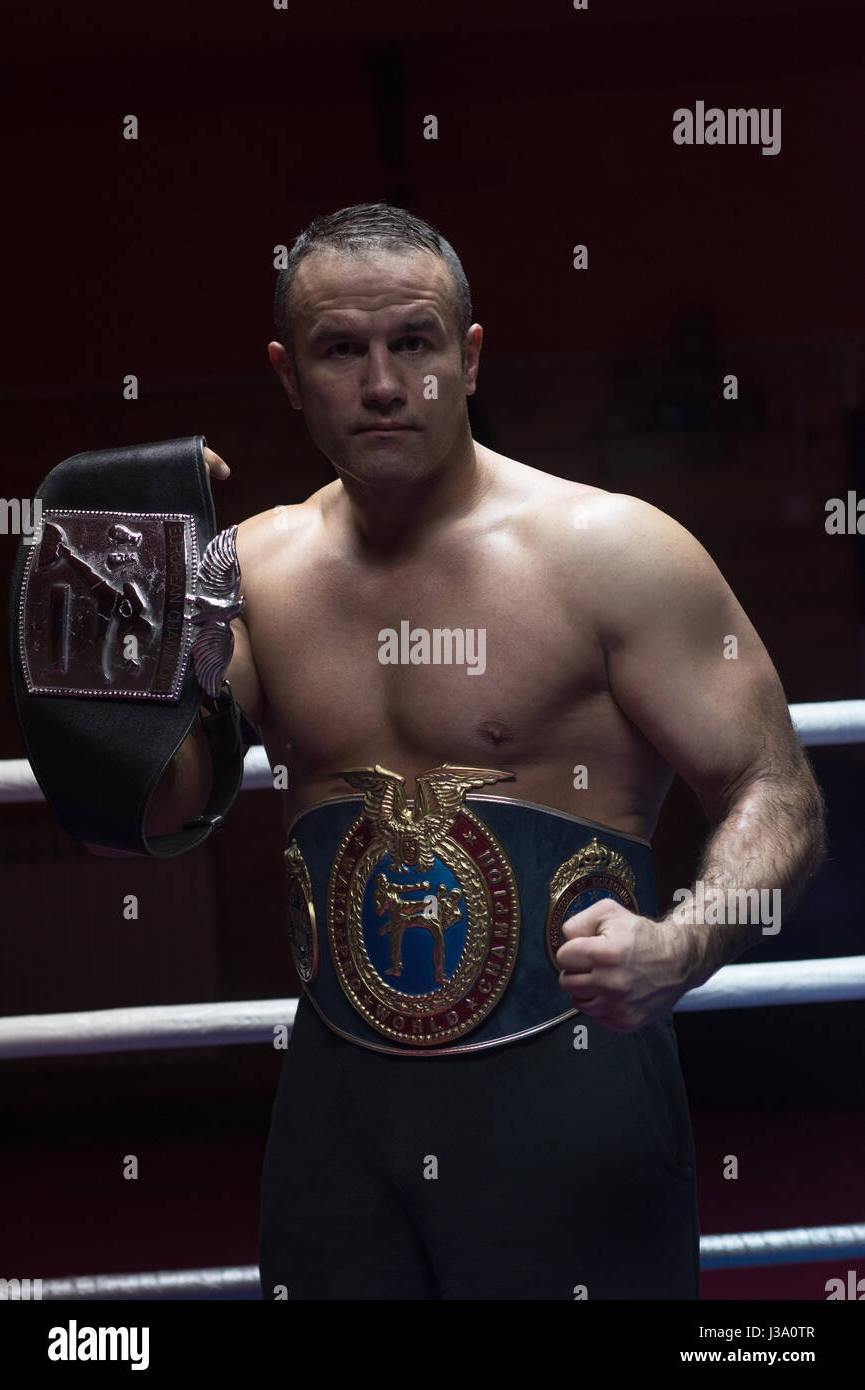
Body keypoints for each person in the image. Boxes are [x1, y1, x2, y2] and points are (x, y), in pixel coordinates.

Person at [135, 203, 827, 1299]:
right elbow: (162, 811)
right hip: (338, 1108)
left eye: (412, 341)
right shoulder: (247, 571)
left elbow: (779, 793)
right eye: (340, 349)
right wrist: (123, 626)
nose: (380, 382)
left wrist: (683, 944)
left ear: (467, 355)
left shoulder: (614, 552)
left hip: (570, 1084)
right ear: (287, 372)